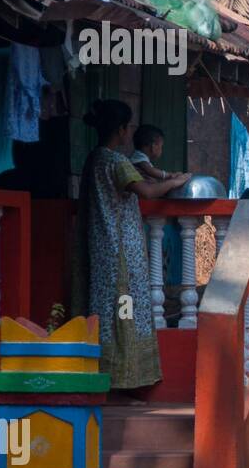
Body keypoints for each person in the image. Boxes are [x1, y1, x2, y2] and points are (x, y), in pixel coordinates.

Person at [74, 100, 191, 392]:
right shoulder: (116, 162)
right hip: (121, 249)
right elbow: (147, 191)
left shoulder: (94, 159)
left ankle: (101, 368)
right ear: (122, 130)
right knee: (124, 306)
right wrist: (180, 181)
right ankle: (124, 376)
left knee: (106, 307)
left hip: (100, 245)